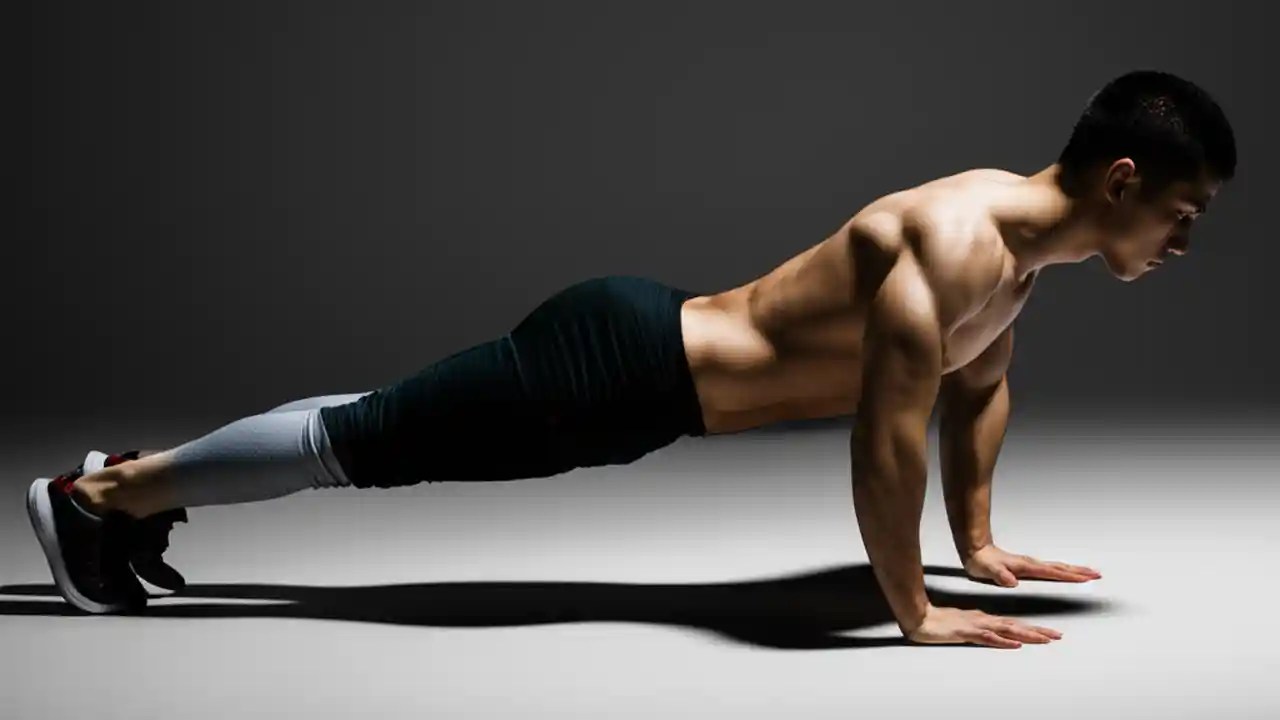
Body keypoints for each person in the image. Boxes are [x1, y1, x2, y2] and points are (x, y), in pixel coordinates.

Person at [27, 69, 1235, 649]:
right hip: (614, 364)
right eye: (1180, 213)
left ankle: (136, 488)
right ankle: (98, 499)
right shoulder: (959, 242)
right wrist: (913, 612)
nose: (1182, 241)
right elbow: (885, 437)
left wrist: (973, 541)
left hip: (642, 390)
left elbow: (979, 388)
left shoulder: (1019, 264)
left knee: (374, 436)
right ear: (1120, 181)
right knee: (364, 443)